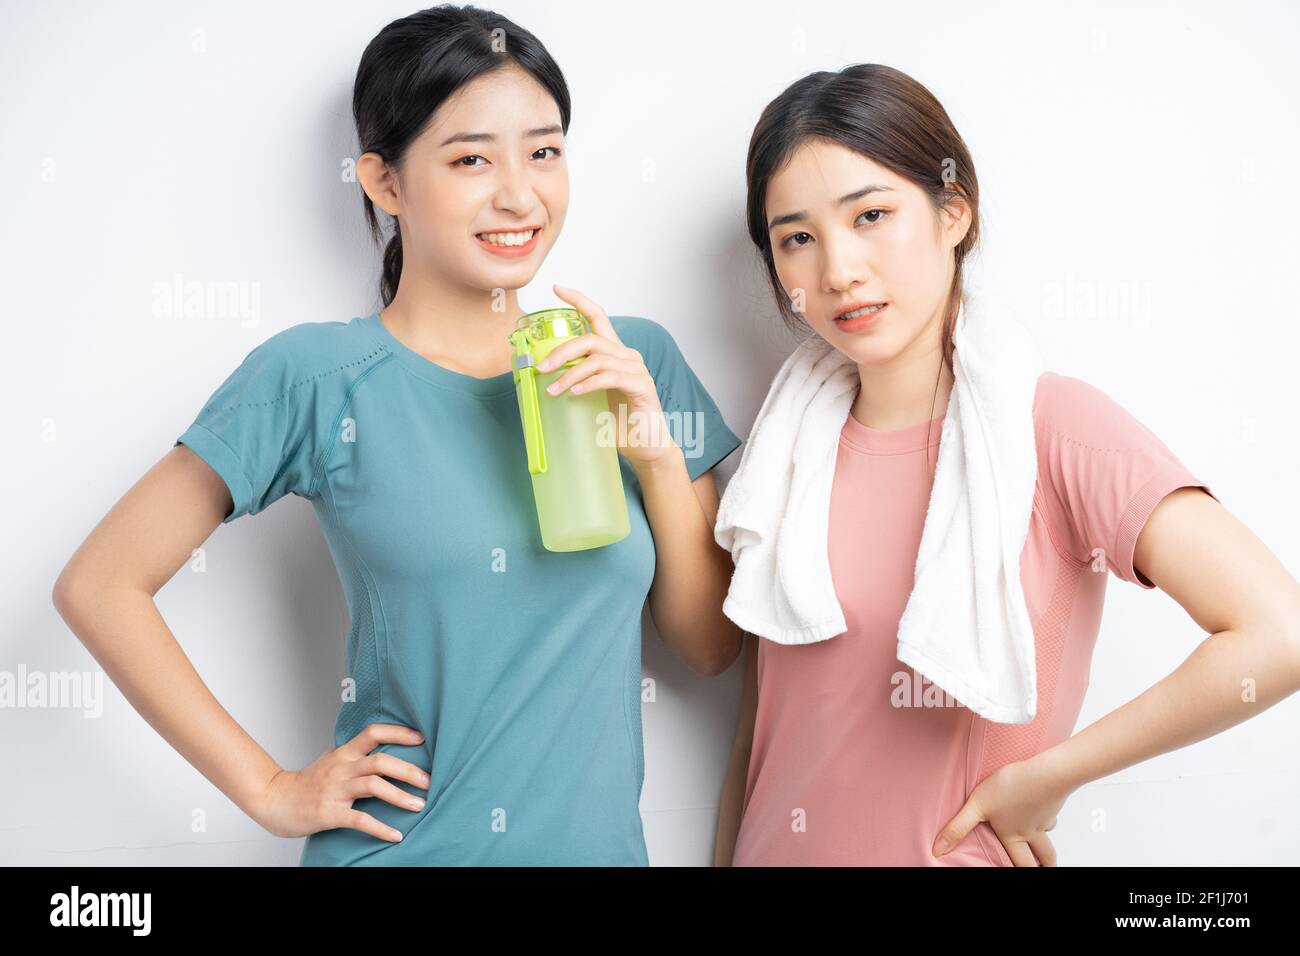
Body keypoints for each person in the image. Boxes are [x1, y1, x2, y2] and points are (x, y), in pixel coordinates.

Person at [51, 4, 744, 866]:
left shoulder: (627, 357)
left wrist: (652, 448)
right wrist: (271, 789)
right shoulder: (316, 376)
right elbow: (100, 584)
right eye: (469, 160)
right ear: (383, 183)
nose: (519, 193)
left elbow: (711, 649)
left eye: (545, 150)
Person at [714, 63, 1300, 866]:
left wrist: (1051, 777)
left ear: (953, 212)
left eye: (872, 215)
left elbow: (1280, 634)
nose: (838, 270)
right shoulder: (788, 450)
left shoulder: (1050, 428)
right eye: (797, 239)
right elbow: (763, 729)